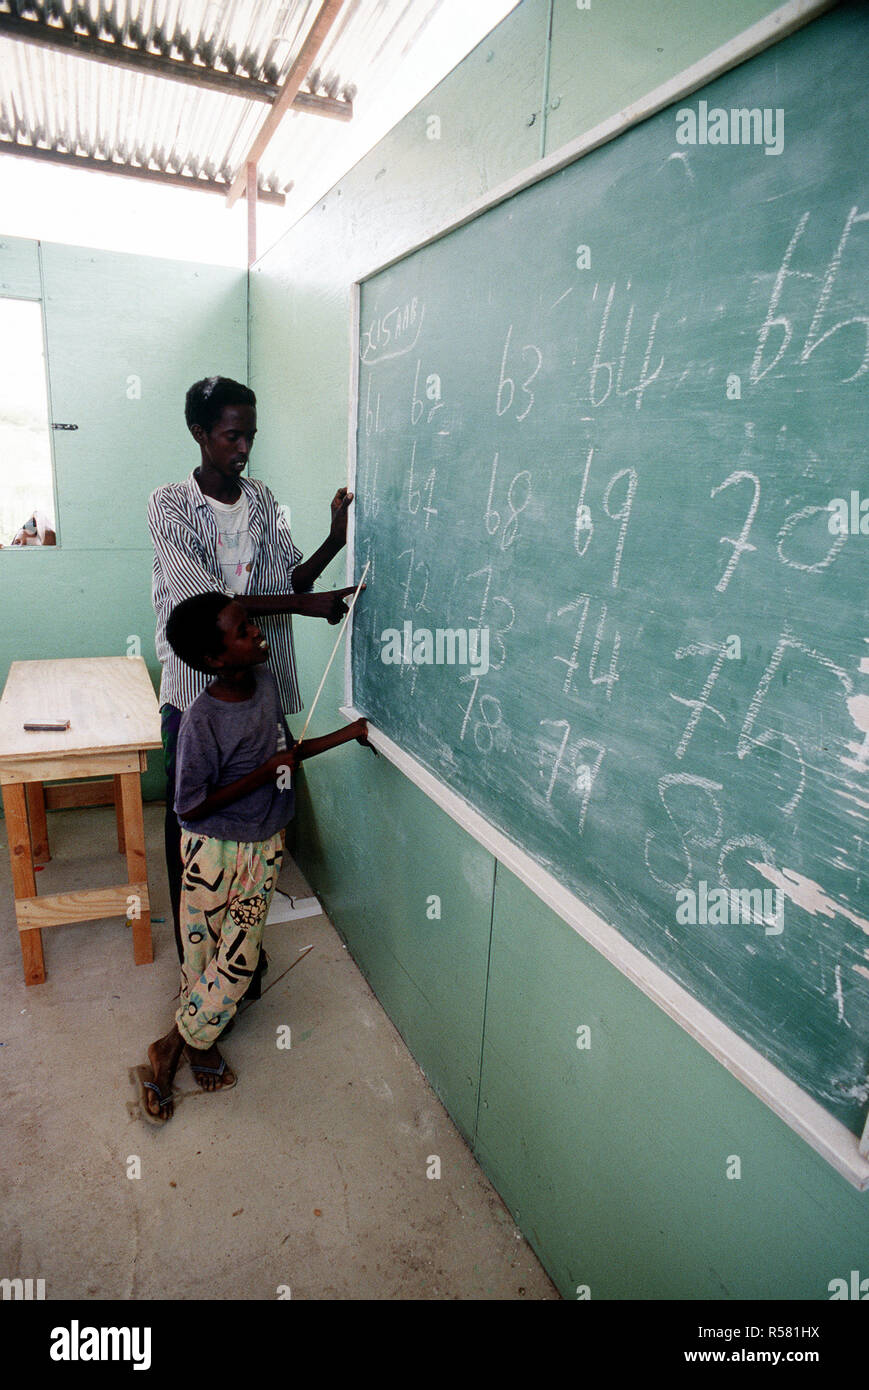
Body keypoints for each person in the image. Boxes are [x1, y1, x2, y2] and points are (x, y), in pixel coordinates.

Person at [148, 375, 360, 990]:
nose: (243, 448)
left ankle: (241, 943)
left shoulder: (261, 500)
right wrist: (306, 606)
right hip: (197, 688)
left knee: (258, 806)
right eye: (231, 435)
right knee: (191, 818)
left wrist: (334, 540)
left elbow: (291, 581)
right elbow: (204, 602)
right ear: (200, 434)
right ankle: (197, 950)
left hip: (254, 681)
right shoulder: (170, 504)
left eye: (250, 436)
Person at [140, 591, 372, 1123]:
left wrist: (349, 733)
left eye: (251, 624)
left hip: (264, 847)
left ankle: (174, 1044)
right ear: (214, 660)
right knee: (201, 956)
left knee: (238, 961)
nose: (258, 634)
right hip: (211, 854)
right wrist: (262, 776)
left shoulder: (266, 685)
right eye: (244, 631)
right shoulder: (201, 721)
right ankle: (195, 1042)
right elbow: (189, 804)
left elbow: (285, 752)